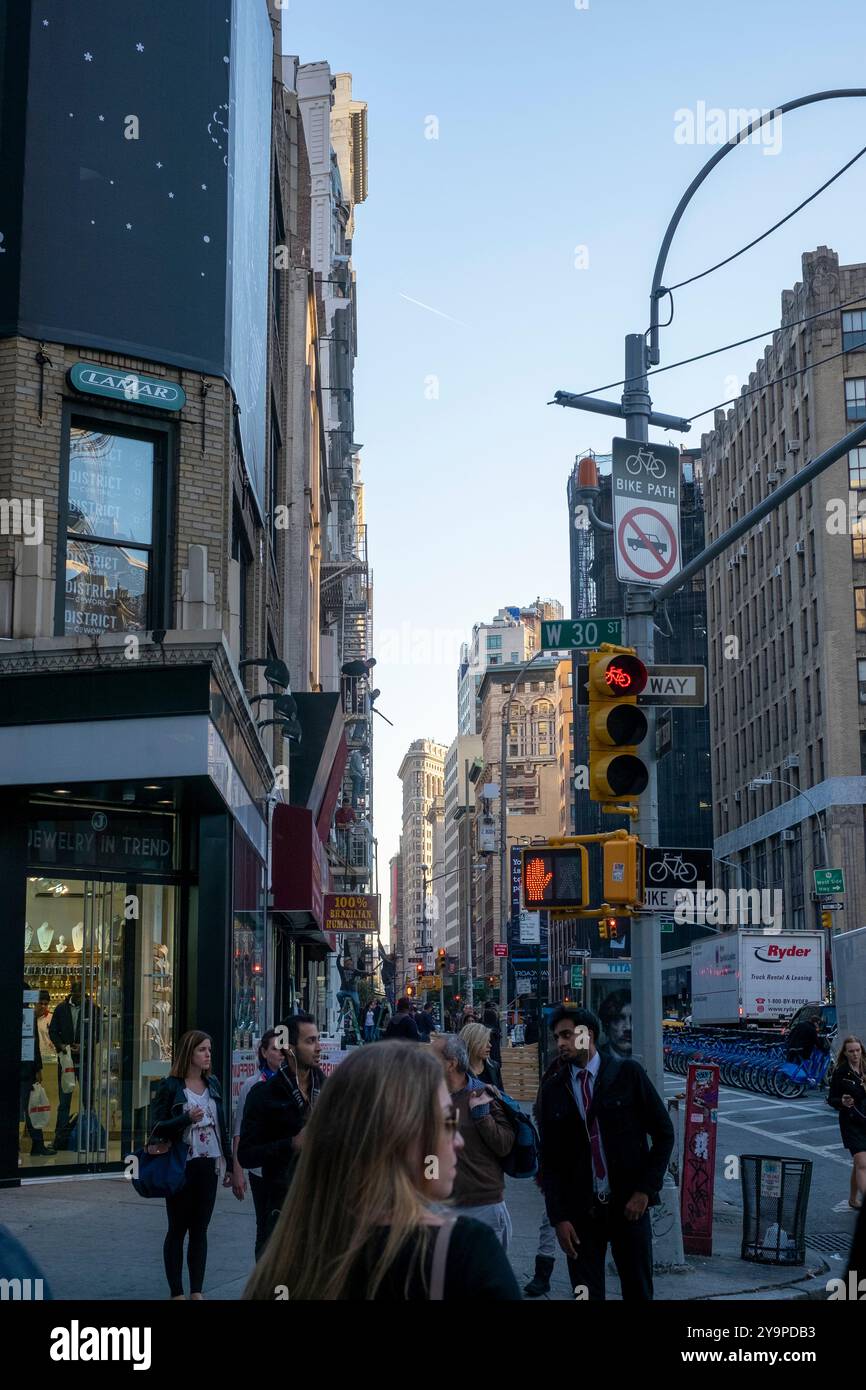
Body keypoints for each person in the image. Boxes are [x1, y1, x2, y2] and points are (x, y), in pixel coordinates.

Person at [243, 1041, 521, 1300]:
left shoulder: (285, 1258)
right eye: (446, 1122)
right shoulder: (468, 1252)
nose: (458, 1141)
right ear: (399, 1136)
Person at [538, 1006, 674, 1302]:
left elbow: (664, 1134)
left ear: (589, 1035)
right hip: (581, 1214)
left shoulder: (626, 1073)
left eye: (567, 1035)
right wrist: (558, 1218)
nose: (560, 1043)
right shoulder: (552, 1090)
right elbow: (548, 1162)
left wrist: (645, 1191)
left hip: (629, 1207)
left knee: (638, 1289)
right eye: (556, 1037)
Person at [150, 1030, 236, 1300]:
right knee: (177, 1228)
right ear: (189, 1053)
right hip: (181, 1163)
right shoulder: (172, 1086)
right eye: (202, 1050)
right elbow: (155, 1126)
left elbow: (223, 1126)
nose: (208, 1054)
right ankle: (177, 1291)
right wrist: (185, 1119)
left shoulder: (214, 1085)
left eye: (209, 1049)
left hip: (208, 1163)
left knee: (200, 1229)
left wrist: (230, 1165)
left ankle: (196, 1290)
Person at [237, 1012, 325, 1243]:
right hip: (281, 1203)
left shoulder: (330, 1091)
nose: (318, 1047)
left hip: (324, 1204)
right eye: (310, 1041)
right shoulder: (264, 1095)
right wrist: (291, 1144)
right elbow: (246, 1155)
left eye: (318, 1039)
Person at [431, 1033, 515, 1249]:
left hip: (483, 1207)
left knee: (484, 1281)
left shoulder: (483, 1095)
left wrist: (482, 1116)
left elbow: (504, 1145)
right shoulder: (430, 1099)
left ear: (451, 1064)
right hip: (443, 1207)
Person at [232, 1029, 284, 1260]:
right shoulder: (252, 1085)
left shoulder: (292, 1084)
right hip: (259, 1168)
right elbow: (239, 1130)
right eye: (275, 1048)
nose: (281, 1054)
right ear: (264, 1052)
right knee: (264, 1225)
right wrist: (237, 1170)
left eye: (284, 1048)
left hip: (286, 1167)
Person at [48, 980, 101, 1149]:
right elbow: (53, 1031)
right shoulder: (61, 1009)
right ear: (71, 993)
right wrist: (62, 1046)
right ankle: (61, 1138)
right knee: (64, 1101)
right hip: (66, 1060)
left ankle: (88, 1135)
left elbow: (98, 1033)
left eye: (82, 995)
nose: (79, 998)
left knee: (88, 1099)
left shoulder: (93, 1009)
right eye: (76, 995)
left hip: (85, 1059)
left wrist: (85, 1045)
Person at [827, 1035, 866, 1210]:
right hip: (851, 1121)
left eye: (857, 1050)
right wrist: (841, 1101)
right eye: (851, 1051)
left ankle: (852, 1199)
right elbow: (831, 1099)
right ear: (845, 1052)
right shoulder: (841, 1072)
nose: (855, 1054)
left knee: (859, 1164)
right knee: (862, 1163)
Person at [20, 991, 54, 1158]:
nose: (43, 1006)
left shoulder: (27, 1017)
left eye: (45, 1003)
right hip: (26, 1072)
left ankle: (37, 1144)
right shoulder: (28, 1018)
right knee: (31, 1108)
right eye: (41, 1002)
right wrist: (38, 1069)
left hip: (26, 1071)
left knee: (29, 1108)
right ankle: (37, 1144)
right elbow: (32, 1049)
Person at [460, 1022, 503, 1090]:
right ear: (472, 1043)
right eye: (484, 1042)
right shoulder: (458, 1070)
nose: (490, 1045)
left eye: (489, 1041)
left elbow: (501, 1096)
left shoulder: (494, 1067)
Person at [599, 990, 632, 1060]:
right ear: (606, 1025)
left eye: (634, 1019)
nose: (628, 1027)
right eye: (618, 1019)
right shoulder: (596, 1058)